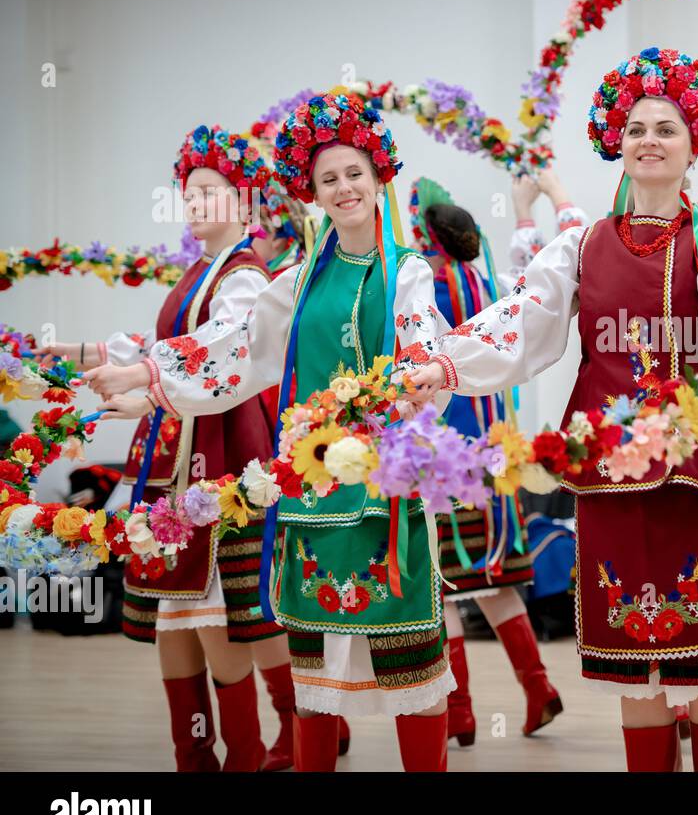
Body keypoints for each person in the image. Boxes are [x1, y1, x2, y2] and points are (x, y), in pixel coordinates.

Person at [407, 48, 698, 771]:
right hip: (609, 472)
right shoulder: (580, 245)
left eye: (667, 128)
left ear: (694, 145)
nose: (649, 138)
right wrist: (444, 363)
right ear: (617, 143)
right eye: (637, 128)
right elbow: (521, 321)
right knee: (634, 656)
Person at [88, 92, 458, 771]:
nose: (344, 188)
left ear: (379, 177)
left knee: (411, 667)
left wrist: (403, 407)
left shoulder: (406, 270)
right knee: (315, 678)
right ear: (311, 194)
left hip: (386, 495)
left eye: (354, 174)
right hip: (309, 498)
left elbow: (420, 351)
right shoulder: (292, 283)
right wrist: (145, 381)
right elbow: (230, 353)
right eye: (328, 179)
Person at [47, 125, 279, 771]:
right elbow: (166, 343)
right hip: (175, 454)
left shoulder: (244, 277)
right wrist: (84, 354)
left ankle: (247, 753)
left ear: (246, 202)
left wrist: (143, 380)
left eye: (210, 192)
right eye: (190, 194)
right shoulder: (200, 273)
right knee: (176, 614)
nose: (196, 204)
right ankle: (194, 752)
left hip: (219, 451)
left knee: (214, 612)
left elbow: (217, 347)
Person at [409, 176, 563, 745]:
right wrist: (525, 210)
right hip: (492, 452)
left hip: (439, 455)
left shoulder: (424, 291)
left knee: (442, 582)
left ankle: (461, 711)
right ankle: (539, 686)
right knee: (492, 578)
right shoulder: (488, 281)